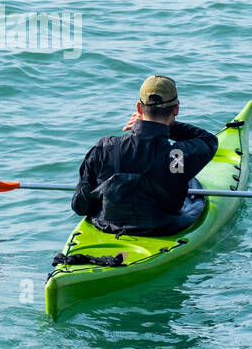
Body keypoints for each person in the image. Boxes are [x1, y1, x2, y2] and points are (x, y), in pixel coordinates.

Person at [71, 75, 219, 238]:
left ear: (139, 108)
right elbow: (209, 140)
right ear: (176, 109)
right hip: (162, 229)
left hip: (107, 226)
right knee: (186, 181)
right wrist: (171, 126)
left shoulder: (104, 148)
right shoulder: (177, 156)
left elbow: (80, 207)